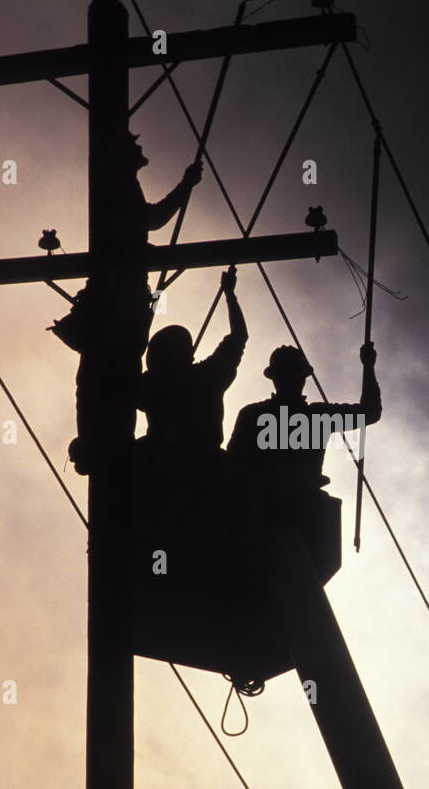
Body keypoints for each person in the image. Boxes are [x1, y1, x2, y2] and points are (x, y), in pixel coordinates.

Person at [49, 131, 204, 475]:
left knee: (109, 374)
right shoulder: (119, 186)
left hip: (121, 302)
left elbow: (142, 225)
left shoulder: (120, 185)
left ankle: (103, 444)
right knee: (115, 374)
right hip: (120, 302)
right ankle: (105, 445)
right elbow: (147, 222)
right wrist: (186, 185)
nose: (140, 147)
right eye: (133, 145)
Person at [227, 341, 380, 508]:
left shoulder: (253, 414)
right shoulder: (317, 416)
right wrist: (368, 365)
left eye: (292, 374)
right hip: (286, 509)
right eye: (288, 374)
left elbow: (232, 463)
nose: (290, 379)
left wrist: (368, 366)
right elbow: (370, 412)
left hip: (269, 510)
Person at [137, 266, 247, 452]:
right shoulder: (206, 377)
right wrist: (229, 293)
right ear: (188, 354)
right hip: (205, 463)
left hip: (160, 464)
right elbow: (239, 336)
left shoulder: (149, 384)